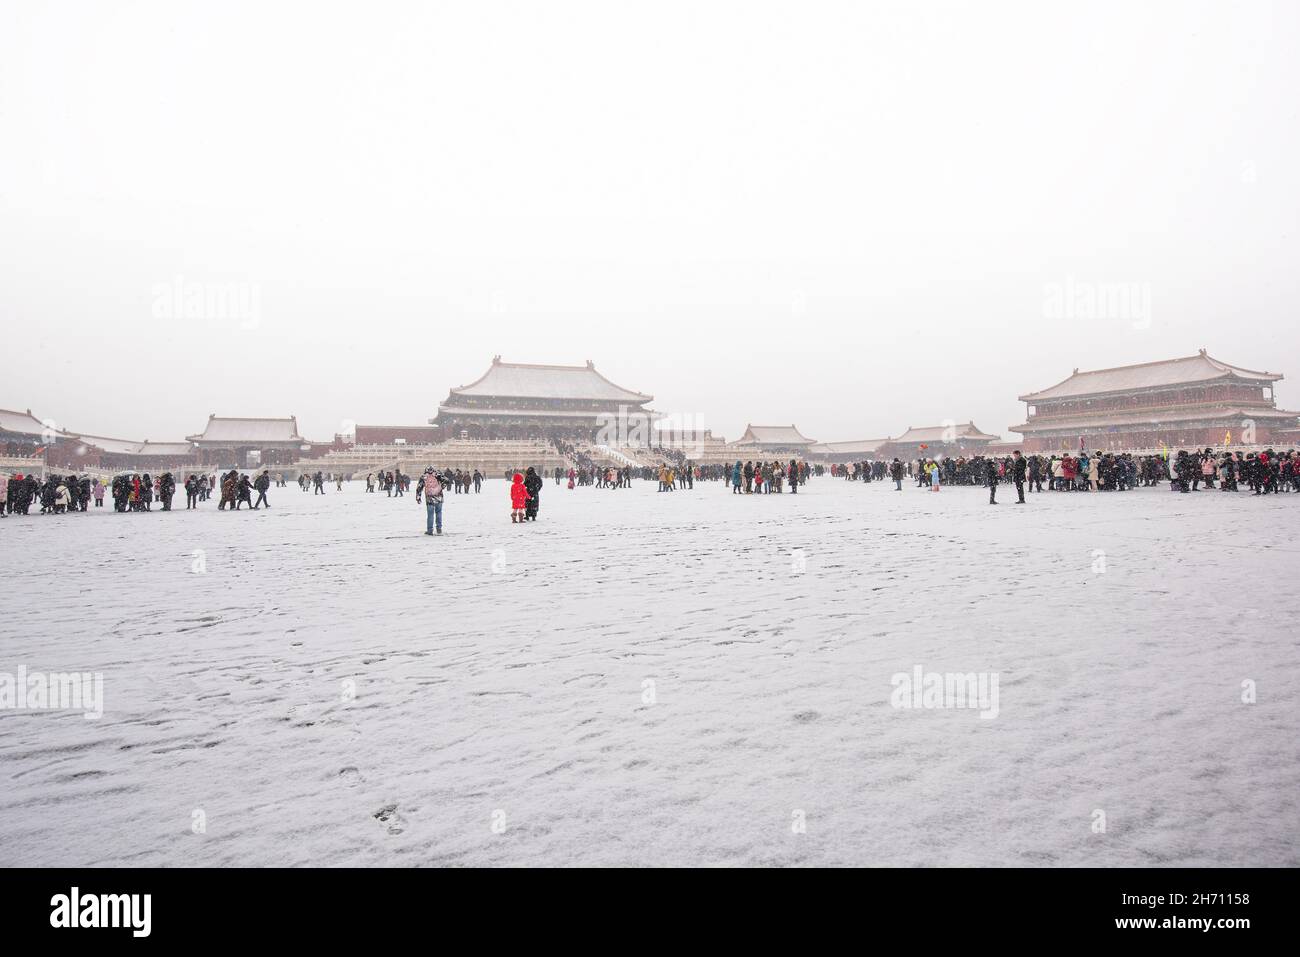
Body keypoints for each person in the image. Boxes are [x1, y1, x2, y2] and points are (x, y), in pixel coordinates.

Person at [419, 468, 445, 535]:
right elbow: (447, 481)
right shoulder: (437, 475)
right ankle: (439, 529)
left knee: (430, 515)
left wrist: (418, 497)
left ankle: (430, 530)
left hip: (429, 499)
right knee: (439, 513)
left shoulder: (424, 477)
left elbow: (419, 487)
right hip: (439, 498)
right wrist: (442, 486)